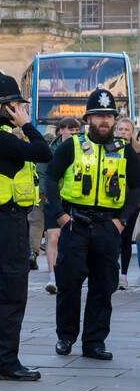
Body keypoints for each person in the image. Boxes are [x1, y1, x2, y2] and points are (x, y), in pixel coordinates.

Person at [44, 88, 140, 360]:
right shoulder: (71, 146)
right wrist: (61, 216)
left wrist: (121, 221)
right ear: (88, 119)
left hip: (107, 228)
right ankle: (66, 337)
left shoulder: (123, 151)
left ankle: (94, 342)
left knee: (103, 286)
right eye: (99, 116)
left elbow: (136, 188)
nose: (105, 121)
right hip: (75, 225)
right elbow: (50, 179)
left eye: (109, 116)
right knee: (69, 284)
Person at [0, 71, 52, 381]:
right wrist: (27, 125)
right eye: (17, 104)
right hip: (7, 222)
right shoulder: (4, 139)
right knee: (11, 293)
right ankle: (5, 362)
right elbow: (44, 152)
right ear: (2, 106)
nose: (22, 108)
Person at [40, 117, 81, 294]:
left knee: (70, 240)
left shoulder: (83, 150)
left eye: (76, 131)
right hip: (53, 200)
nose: (73, 133)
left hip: (74, 201)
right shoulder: (51, 151)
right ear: (60, 131)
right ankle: (53, 277)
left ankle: (68, 274)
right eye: (70, 130)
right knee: (53, 237)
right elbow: (43, 174)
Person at [115, 116, 138, 289]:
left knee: (126, 238)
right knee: (112, 239)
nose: (123, 132)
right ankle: (112, 272)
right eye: (120, 129)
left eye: (126, 130)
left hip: (131, 202)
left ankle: (123, 275)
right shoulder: (109, 149)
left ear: (132, 133)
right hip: (112, 201)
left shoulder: (137, 152)